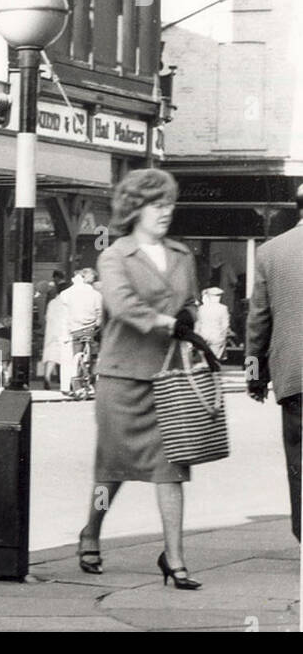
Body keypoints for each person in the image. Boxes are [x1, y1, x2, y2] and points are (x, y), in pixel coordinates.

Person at [78, 168, 203, 589]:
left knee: (172, 469)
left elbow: (193, 301)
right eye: (156, 205)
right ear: (135, 208)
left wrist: (190, 314)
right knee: (110, 470)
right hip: (122, 377)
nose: (165, 212)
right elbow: (124, 305)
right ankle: (91, 531)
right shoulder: (114, 256)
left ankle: (175, 558)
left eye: (169, 204)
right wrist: (169, 322)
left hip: (169, 378)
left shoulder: (183, 255)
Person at [245, 186, 303, 542]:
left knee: (298, 459)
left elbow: (258, 322)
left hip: (295, 375)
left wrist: (255, 377)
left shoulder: (270, 252)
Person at [60, 267, 104, 396]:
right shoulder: (96, 295)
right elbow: (100, 314)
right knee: (94, 357)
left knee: (76, 355)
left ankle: (76, 385)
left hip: (75, 329)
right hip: (91, 329)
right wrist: (97, 326)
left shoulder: (69, 293)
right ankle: (92, 383)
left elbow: (66, 312)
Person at [194, 287, 231, 360]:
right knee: (214, 360)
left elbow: (198, 324)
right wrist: (224, 338)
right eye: (217, 296)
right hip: (217, 336)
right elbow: (225, 325)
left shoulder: (201, 308)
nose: (218, 297)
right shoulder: (223, 308)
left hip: (203, 336)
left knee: (205, 360)